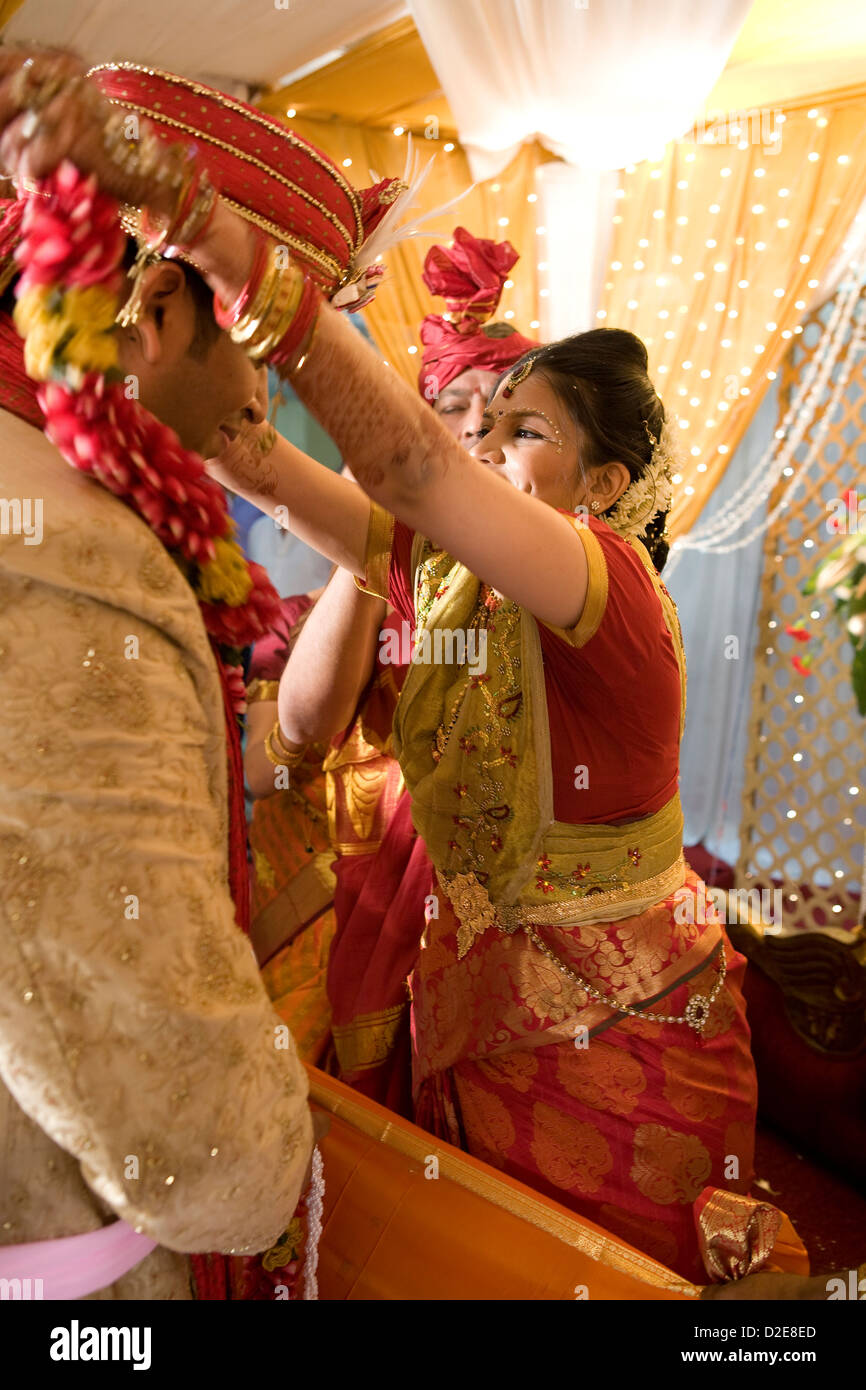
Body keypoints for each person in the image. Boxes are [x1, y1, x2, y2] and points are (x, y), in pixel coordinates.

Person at [0, 52, 814, 1293]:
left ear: (603, 486)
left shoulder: (616, 598)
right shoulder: (445, 575)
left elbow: (417, 473)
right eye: (481, 429)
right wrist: (175, 362)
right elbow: (267, 467)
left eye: (522, 432)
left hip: (623, 1045)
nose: (484, 455)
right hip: (477, 1018)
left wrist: (225, 243)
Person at [0, 47, 407, 1300]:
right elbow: (172, 1119)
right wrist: (261, 1165)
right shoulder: (66, 563)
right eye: (265, 363)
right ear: (161, 316)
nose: (257, 407)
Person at [249, 228, 539, 1111]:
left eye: (506, 412)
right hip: (342, 906)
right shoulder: (328, 601)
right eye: (452, 407)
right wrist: (381, 537)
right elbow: (284, 752)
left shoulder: (552, 591)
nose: (477, 433)